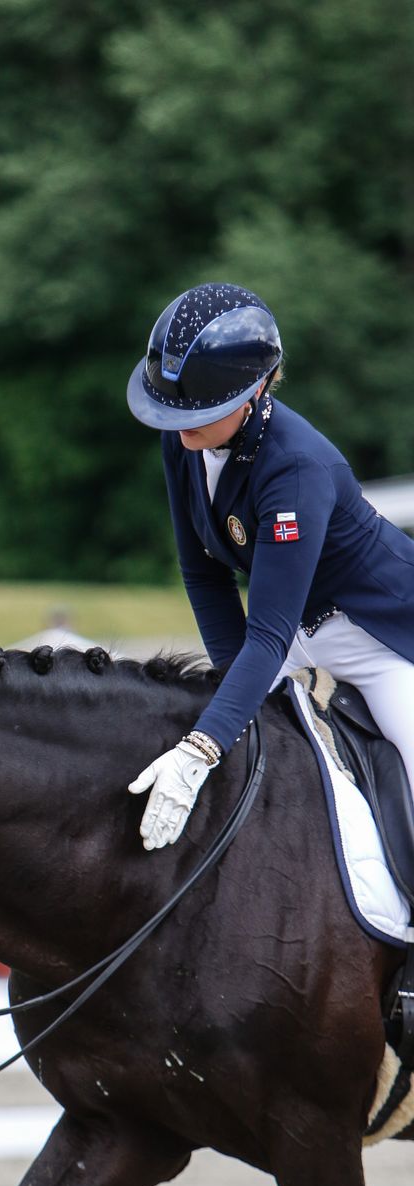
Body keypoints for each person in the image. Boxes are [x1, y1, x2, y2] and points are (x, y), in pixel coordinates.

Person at [125, 281, 414, 851]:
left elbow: (269, 629)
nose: (181, 429)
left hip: (384, 641)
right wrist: (230, 708)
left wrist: (201, 748)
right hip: (285, 638)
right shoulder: (185, 435)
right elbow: (203, 574)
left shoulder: (298, 467)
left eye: (202, 412)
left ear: (256, 390)